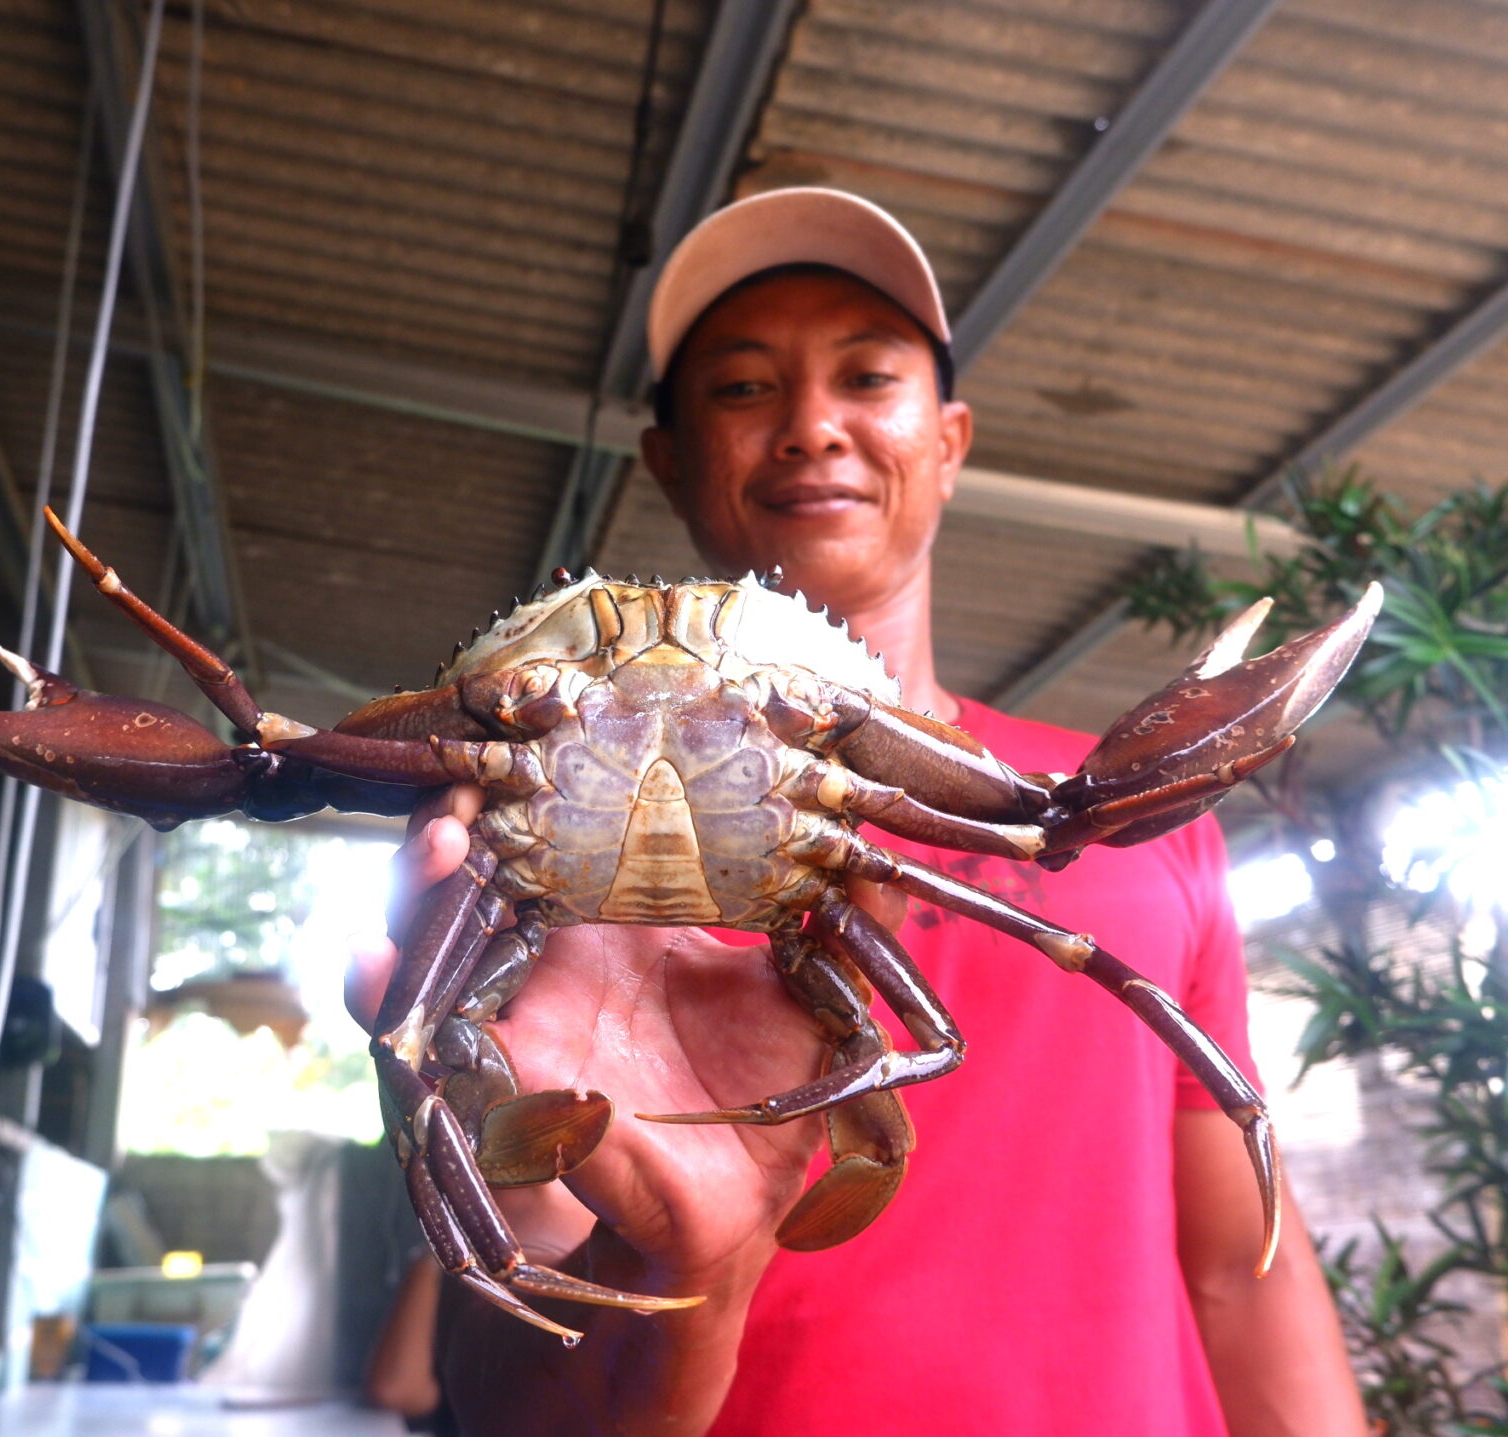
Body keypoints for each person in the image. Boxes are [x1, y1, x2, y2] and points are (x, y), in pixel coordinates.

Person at [350, 188, 1366, 1436]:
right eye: (740, 389)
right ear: (666, 458)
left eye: (868, 378)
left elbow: (1235, 1267)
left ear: (947, 438)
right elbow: (514, 1400)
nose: (810, 426)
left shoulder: (1120, 822)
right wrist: (690, 1262)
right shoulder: (551, 858)